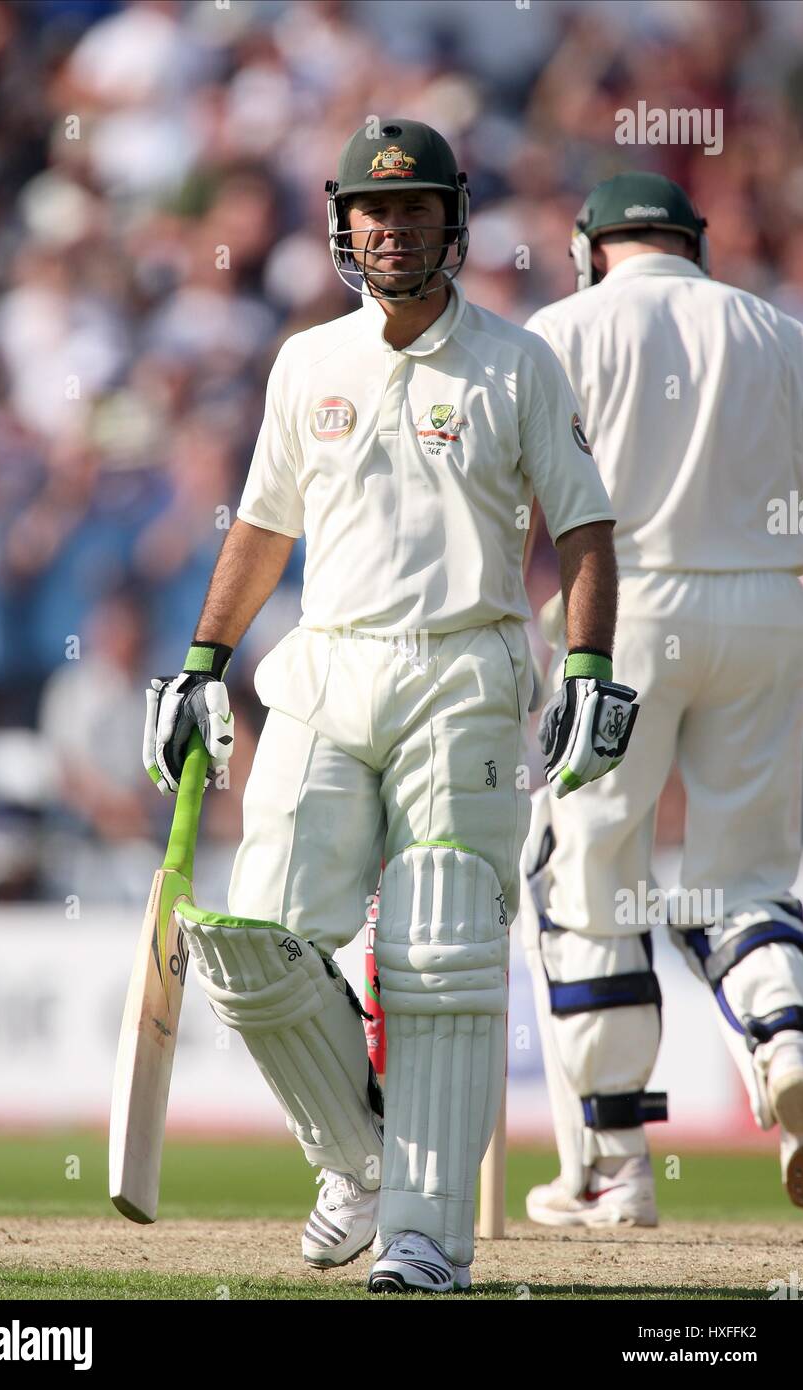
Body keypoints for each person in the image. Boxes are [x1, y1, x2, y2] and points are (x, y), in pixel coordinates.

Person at [142, 119, 635, 1292]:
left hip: (463, 670)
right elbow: (263, 524)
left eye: (415, 213)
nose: (393, 230)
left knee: (440, 950)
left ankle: (423, 1236)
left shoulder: (516, 364)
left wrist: (586, 668)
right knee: (252, 941)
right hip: (324, 664)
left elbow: (583, 528)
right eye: (375, 212)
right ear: (342, 226)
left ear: (452, 223)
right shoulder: (306, 362)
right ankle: (356, 1162)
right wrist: (203, 661)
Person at [521, 171, 803, 1228]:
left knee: (585, 875)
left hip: (622, 611)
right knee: (744, 877)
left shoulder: (560, 328)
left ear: (592, 244)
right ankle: (781, 1035)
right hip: (772, 606)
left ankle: (613, 1166)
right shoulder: (780, 332)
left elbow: (517, 512)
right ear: (691, 244)